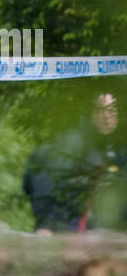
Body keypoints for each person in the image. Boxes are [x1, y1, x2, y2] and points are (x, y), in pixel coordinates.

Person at [23, 92, 126, 233]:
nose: (106, 117)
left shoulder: (118, 150)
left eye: (112, 110)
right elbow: (47, 178)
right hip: (67, 231)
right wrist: (46, 224)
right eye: (100, 110)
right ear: (90, 113)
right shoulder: (74, 142)